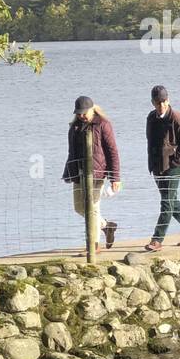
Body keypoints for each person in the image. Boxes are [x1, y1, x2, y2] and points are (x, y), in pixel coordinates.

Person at [144, 85, 180, 251]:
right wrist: (153, 164)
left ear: (168, 100)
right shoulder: (151, 118)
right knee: (171, 202)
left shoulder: (177, 118)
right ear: (152, 102)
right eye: (157, 102)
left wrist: (175, 161)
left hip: (173, 167)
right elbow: (151, 143)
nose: (161, 105)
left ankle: (157, 240)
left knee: (166, 203)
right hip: (157, 167)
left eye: (163, 101)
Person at [62, 96, 121, 250]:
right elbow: (71, 152)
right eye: (78, 113)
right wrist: (69, 172)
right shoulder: (74, 126)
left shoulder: (103, 124)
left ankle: (93, 246)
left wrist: (115, 177)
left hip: (97, 173)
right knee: (79, 207)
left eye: (84, 113)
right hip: (78, 172)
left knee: (93, 208)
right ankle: (106, 226)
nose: (81, 116)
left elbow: (112, 151)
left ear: (91, 109)